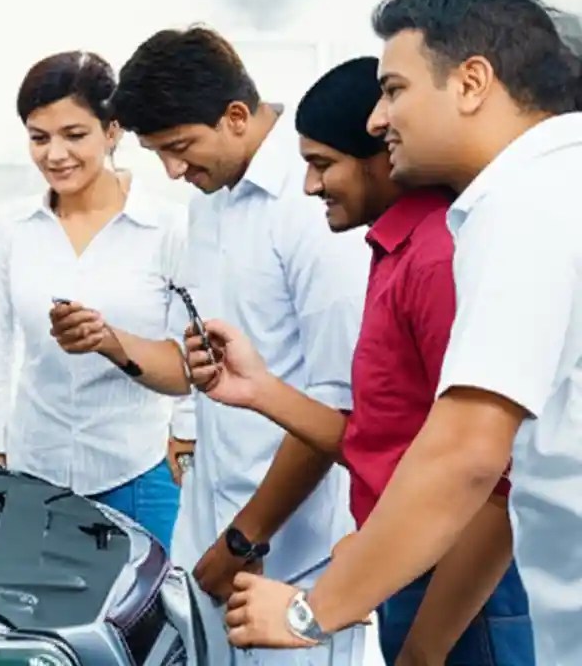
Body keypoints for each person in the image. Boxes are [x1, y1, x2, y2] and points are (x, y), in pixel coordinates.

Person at [218, 0, 582, 665]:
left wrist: (309, 608)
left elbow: (468, 454)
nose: (378, 118)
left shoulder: (522, 206)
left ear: (472, 83)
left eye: (394, 90)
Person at [184, 55, 533, 664]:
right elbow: (383, 443)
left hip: (459, 587)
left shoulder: (433, 258)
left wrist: (421, 652)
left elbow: (493, 484)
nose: (312, 186)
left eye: (323, 165)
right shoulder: (393, 250)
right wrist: (260, 390)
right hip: (413, 567)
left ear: (384, 157)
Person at [53, 26, 371, 665]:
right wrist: (128, 346)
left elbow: (340, 414)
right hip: (212, 535)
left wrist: (245, 540)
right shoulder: (211, 197)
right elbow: (203, 367)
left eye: (179, 148)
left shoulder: (316, 205)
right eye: (157, 153)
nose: (173, 170)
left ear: (234, 117)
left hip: (292, 557)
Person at [0, 51, 192, 548]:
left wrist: (188, 434)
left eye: (74, 135)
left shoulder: (169, 228)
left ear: (112, 131)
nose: (55, 155)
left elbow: (192, 349)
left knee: (147, 616)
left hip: (140, 467)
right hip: (33, 472)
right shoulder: (10, 228)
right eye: (39, 137)